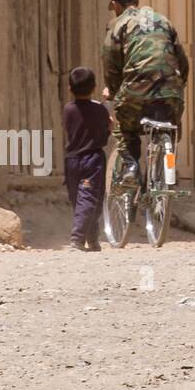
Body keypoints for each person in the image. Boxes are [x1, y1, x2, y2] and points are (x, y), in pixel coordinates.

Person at [100, 0, 189, 181]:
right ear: (136, 1)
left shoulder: (118, 25)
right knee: (171, 129)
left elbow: (110, 63)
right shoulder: (163, 21)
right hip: (170, 92)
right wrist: (178, 86)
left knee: (125, 129)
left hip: (135, 92)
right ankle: (170, 171)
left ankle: (131, 167)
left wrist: (114, 93)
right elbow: (181, 60)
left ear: (115, 5)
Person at [63, 66, 111, 252]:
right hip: (93, 160)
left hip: (72, 161)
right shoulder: (100, 110)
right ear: (94, 88)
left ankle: (92, 239)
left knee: (79, 200)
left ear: (69, 88)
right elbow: (105, 126)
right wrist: (106, 104)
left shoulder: (68, 109)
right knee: (90, 199)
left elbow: (85, 116)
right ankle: (77, 239)